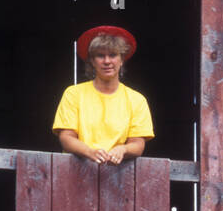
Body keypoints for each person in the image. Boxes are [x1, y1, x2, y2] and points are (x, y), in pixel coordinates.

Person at [53, 25, 154, 164]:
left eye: (113, 55)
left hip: (120, 177)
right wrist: (90, 152)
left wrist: (122, 149)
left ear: (122, 59)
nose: (107, 61)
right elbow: (66, 138)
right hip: (75, 173)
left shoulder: (137, 100)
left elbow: (138, 144)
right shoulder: (73, 94)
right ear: (92, 61)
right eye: (100, 56)